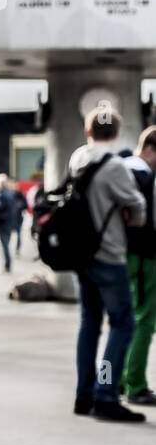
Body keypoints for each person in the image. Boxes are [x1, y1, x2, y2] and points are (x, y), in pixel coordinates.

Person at [69, 107, 147, 422]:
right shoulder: (114, 165)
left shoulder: (77, 158)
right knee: (122, 323)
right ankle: (106, 392)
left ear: (89, 132)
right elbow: (137, 205)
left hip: (81, 256)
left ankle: (84, 394)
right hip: (109, 255)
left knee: (89, 323)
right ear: (115, 134)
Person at [122, 126, 156, 406]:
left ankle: (112, 381)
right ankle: (135, 384)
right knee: (144, 320)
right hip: (144, 256)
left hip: (116, 256)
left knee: (117, 322)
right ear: (150, 149)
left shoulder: (120, 168)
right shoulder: (144, 176)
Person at [0, 174, 17, 273]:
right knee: (6, 245)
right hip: (9, 223)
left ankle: (7, 265)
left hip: (2, 223)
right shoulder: (10, 194)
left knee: (5, 245)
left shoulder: (1, 194)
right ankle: (7, 265)